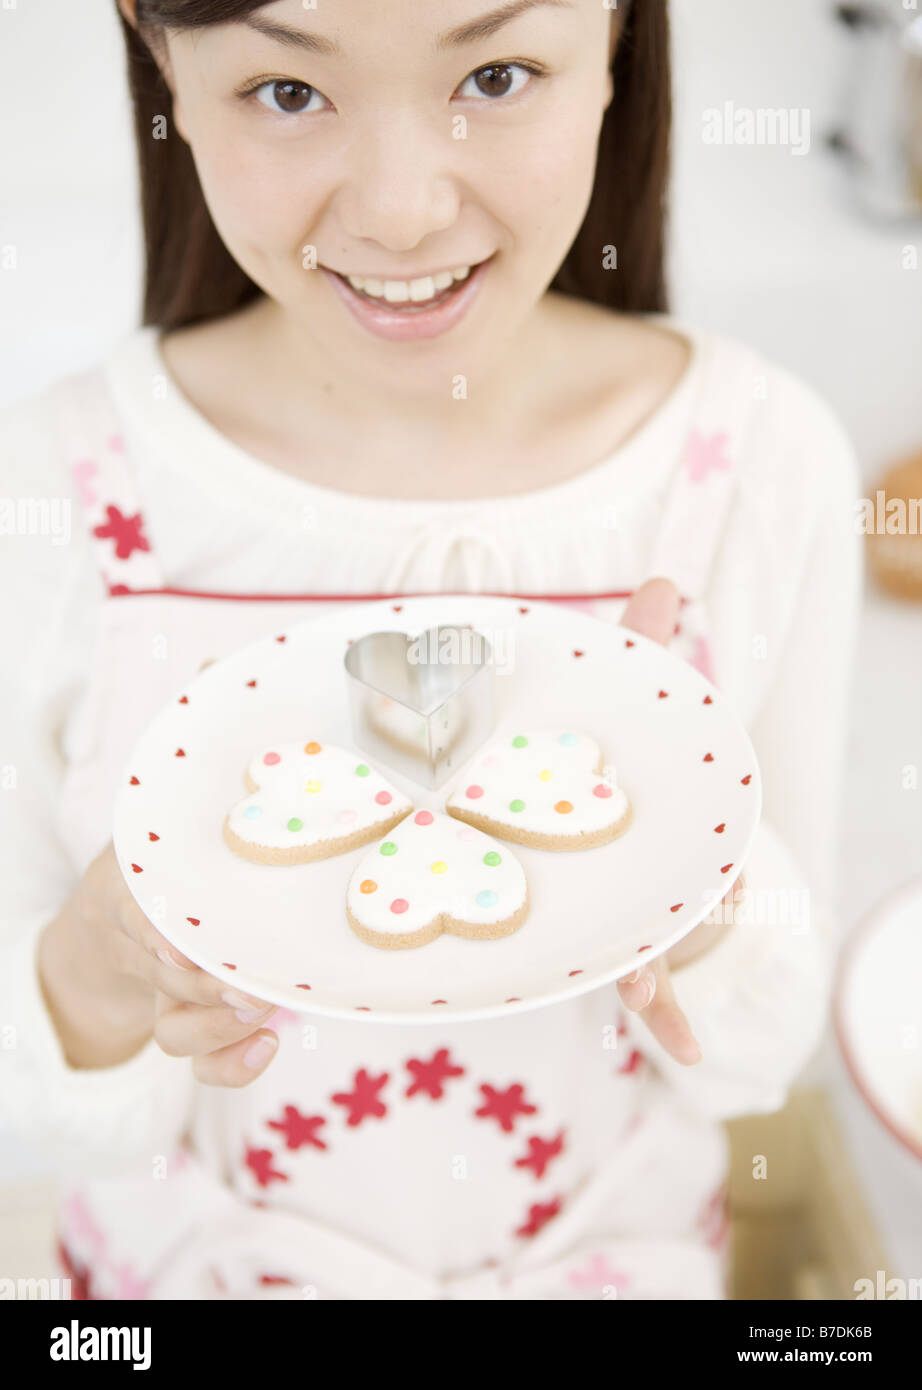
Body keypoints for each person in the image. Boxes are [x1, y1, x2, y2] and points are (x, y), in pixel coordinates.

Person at [0, 0, 862, 1299]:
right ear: (156, 41)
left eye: (499, 73)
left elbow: (766, 1049)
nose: (400, 211)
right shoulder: (59, 486)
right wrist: (103, 970)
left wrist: (694, 885)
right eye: (288, 94)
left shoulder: (749, 468)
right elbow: (28, 1112)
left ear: (619, 34)